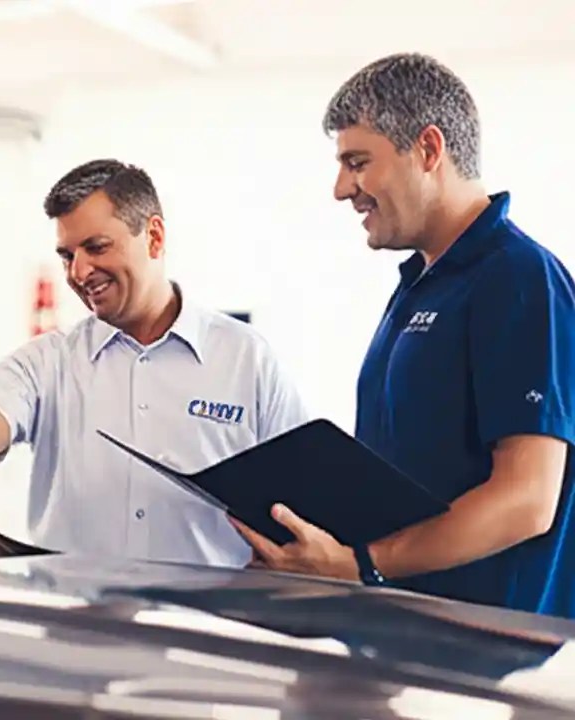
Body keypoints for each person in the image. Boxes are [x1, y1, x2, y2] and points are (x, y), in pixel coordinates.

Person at [231, 52, 575, 618]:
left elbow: (527, 499)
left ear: (429, 150)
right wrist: (315, 545)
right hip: (403, 632)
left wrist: (361, 564)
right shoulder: (420, 285)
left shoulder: (518, 277)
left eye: (357, 162)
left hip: (486, 651)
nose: (342, 188)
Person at [0, 159, 312, 567]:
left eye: (96, 247)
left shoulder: (246, 359)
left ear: (154, 237)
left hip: (210, 623)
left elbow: (303, 498)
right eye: (67, 255)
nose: (78, 272)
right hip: (78, 622)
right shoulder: (48, 362)